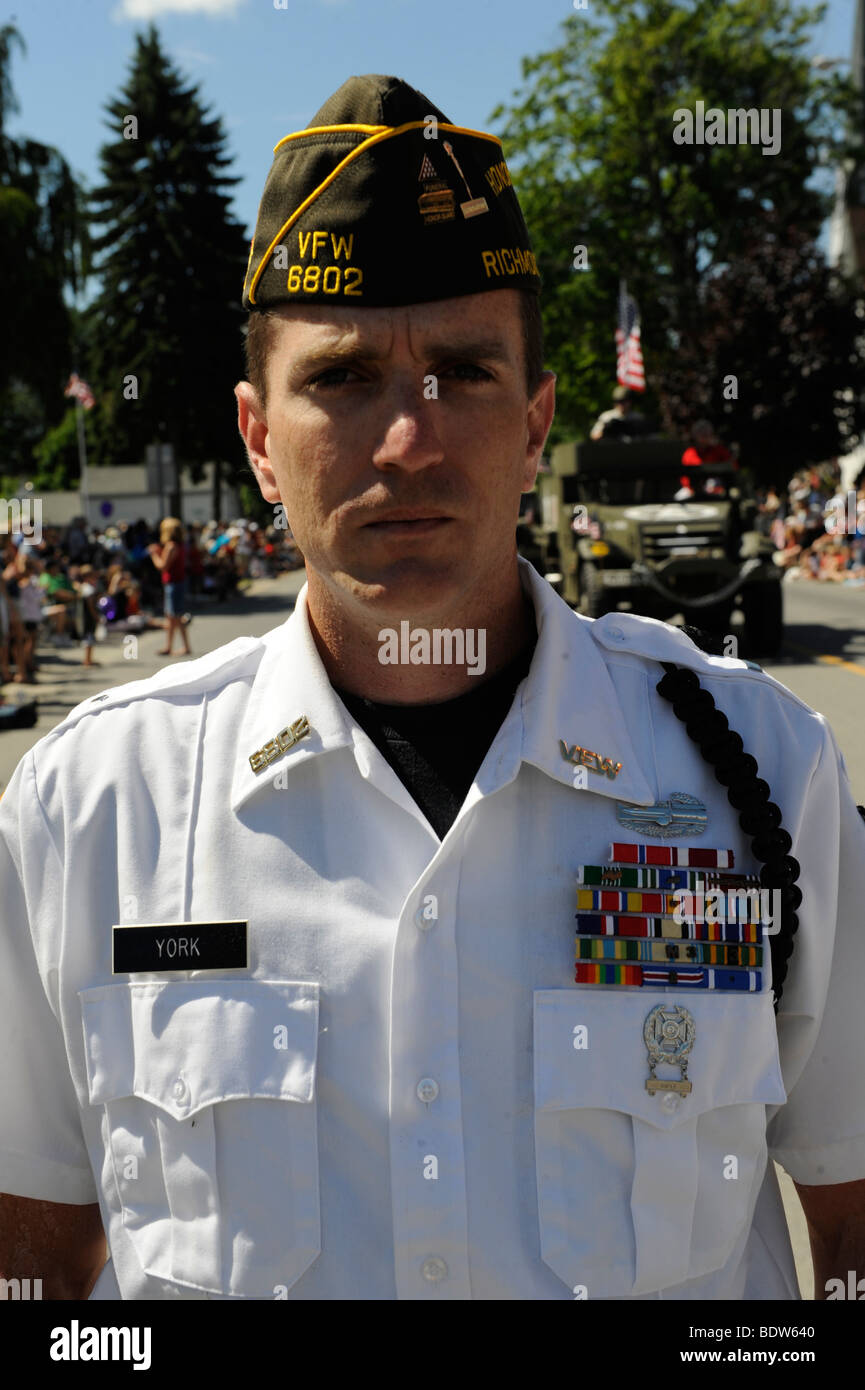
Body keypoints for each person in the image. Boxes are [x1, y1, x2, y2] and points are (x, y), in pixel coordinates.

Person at [1, 74, 864, 1305]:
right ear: (256, 436)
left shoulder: (763, 773)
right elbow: (34, 1257)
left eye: (461, 371)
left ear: (535, 423)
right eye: (345, 379)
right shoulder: (93, 810)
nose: (408, 440)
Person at [147, 517, 192, 657]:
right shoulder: (180, 545)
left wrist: (154, 554)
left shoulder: (171, 546)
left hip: (174, 583)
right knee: (172, 617)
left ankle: (179, 646)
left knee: (175, 616)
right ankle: (173, 646)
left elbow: (162, 566)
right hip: (177, 582)